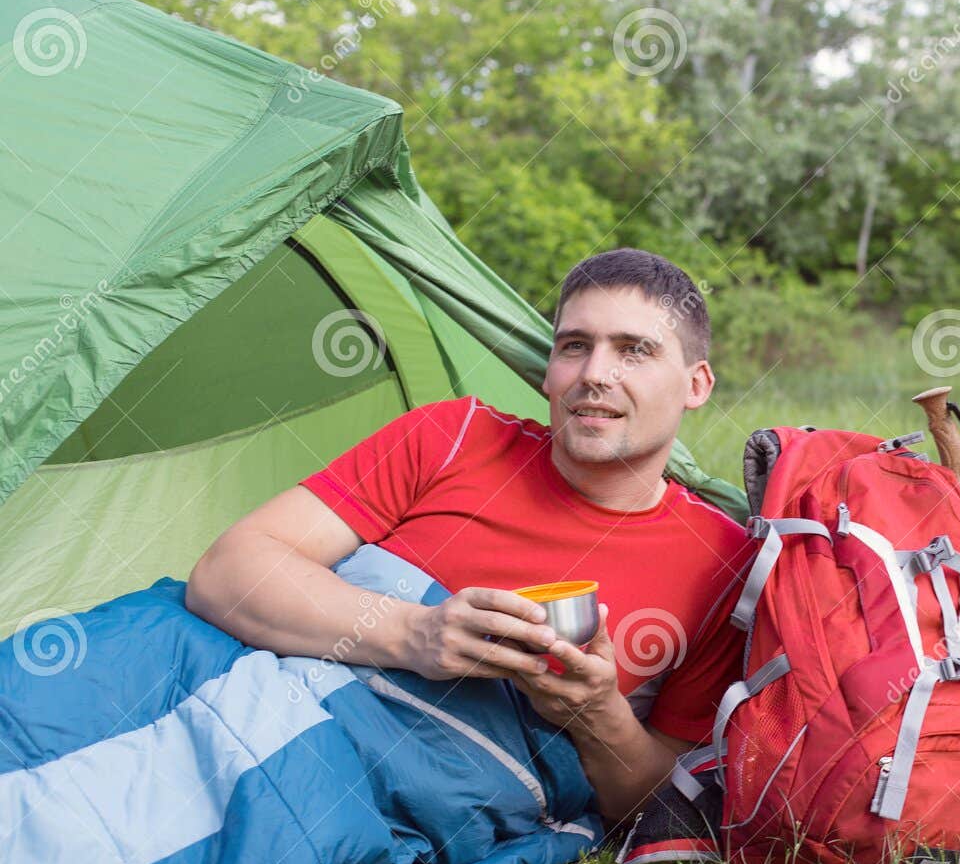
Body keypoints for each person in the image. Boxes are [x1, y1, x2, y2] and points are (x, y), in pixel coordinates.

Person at [185, 248, 753, 828]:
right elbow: (226, 572)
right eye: (574, 346)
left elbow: (659, 814)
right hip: (240, 700)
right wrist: (415, 633)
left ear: (696, 384)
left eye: (634, 350)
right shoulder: (453, 438)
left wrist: (600, 717)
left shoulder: (727, 567)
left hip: (350, 791)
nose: (594, 375)